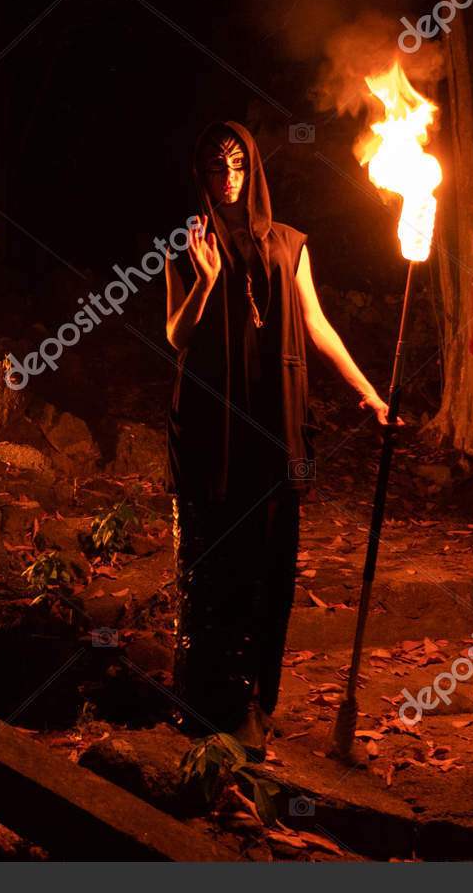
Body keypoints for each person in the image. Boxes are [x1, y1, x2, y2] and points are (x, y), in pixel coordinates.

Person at [164, 120, 396, 752]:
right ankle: (206, 704)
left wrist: (369, 393)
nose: (229, 178)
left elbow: (317, 325)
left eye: (238, 164)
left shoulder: (290, 244)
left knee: (269, 570)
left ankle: (254, 704)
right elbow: (177, 336)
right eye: (217, 166)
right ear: (202, 174)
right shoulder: (187, 245)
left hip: (273, 428)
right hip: (212, 430)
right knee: (214, 570)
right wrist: (206, 280)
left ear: (255, 169)